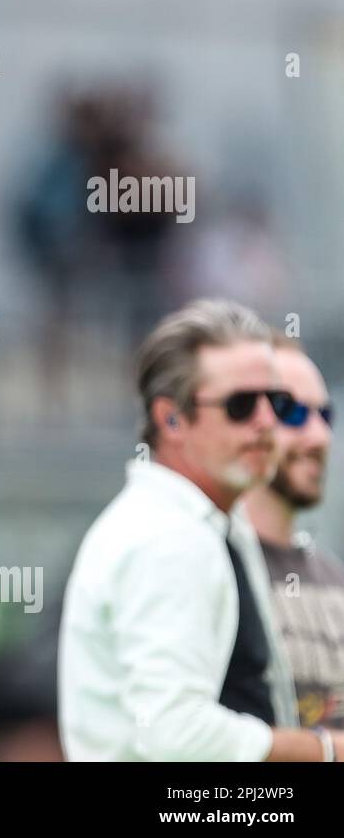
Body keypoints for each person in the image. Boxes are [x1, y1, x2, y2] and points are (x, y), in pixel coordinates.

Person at [58, 299, 341, 761]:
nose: (267, 422)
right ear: (171, 418)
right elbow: (175, 734)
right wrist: (326, 750)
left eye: (277, 402)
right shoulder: (169, 538)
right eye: (241, 405)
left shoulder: (199, 526)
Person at [240, 339, 344, 729]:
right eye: (293, 412)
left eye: (325, 415)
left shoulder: (336, 579)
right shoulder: (208, 568)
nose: (319, 437)